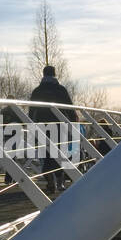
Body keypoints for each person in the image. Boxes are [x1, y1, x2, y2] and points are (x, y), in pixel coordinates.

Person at [27, 65, 77, 195]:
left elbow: (32, 110)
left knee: (46, 155)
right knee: (59, 154)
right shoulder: (61, 90)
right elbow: (69, 107)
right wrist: (74, 121)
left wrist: (30, 123)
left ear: (43, 75)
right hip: (59, 126)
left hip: (42, 126)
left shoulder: (37, 91)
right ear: (54, 74)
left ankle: (50, 181)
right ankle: (59, 182)